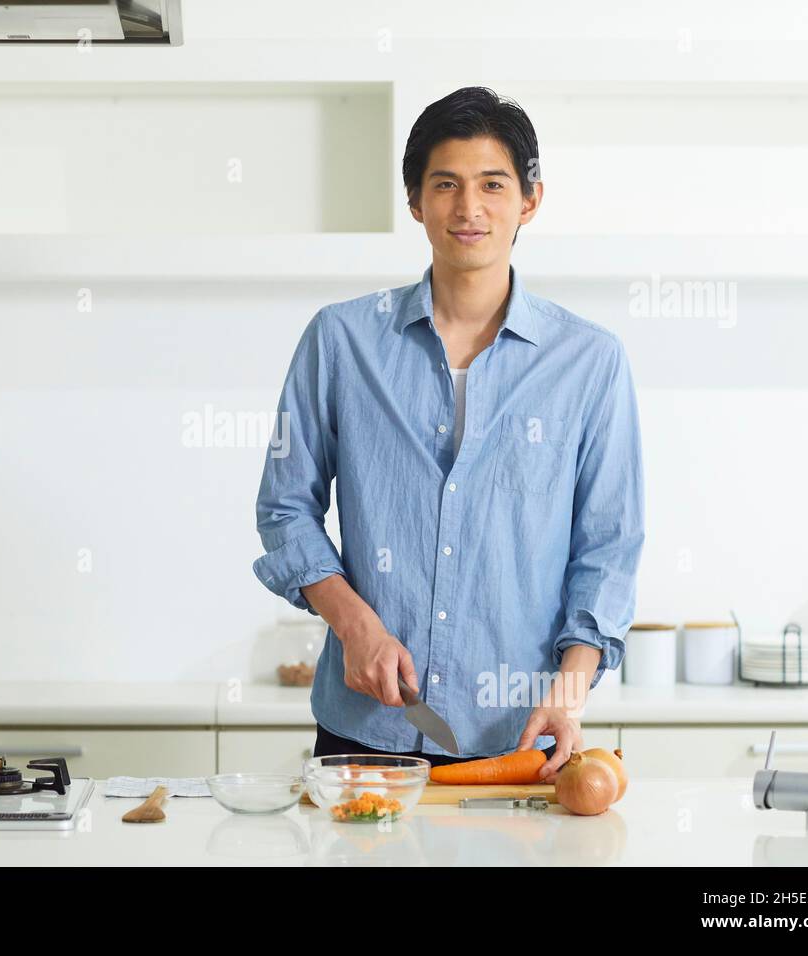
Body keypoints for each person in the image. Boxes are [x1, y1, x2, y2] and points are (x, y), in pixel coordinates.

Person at [252, 87, 645, 783]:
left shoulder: (591, 361)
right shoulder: (340, 342)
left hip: (518, 739)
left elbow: (608, 548)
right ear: (414, 201)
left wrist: (572, 685)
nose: (469, 209)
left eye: (492, 184)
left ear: (529, 201)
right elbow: (285, 510)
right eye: (446, 185)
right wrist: (355, 626)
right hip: (364, 736)